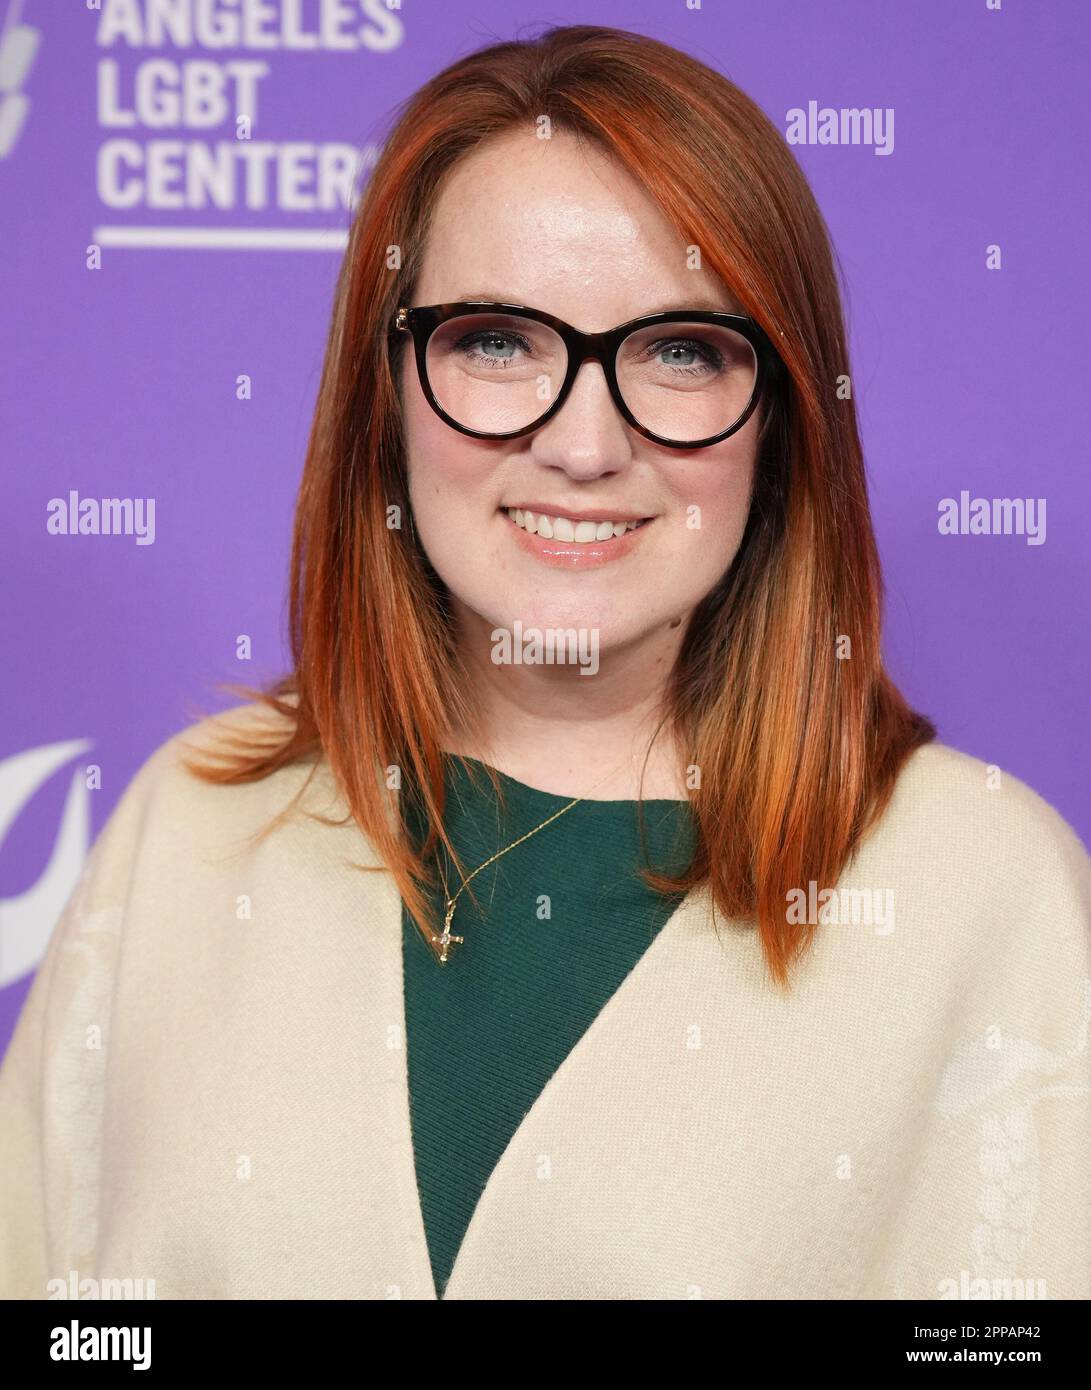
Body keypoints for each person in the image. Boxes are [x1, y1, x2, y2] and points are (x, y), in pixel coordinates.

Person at [1, 24, 1088, 1302]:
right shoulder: (190, 826)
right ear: (386, 386)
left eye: (680, 350)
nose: (582, 444)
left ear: (783, 411)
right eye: (496, 340)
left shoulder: (984, 891)